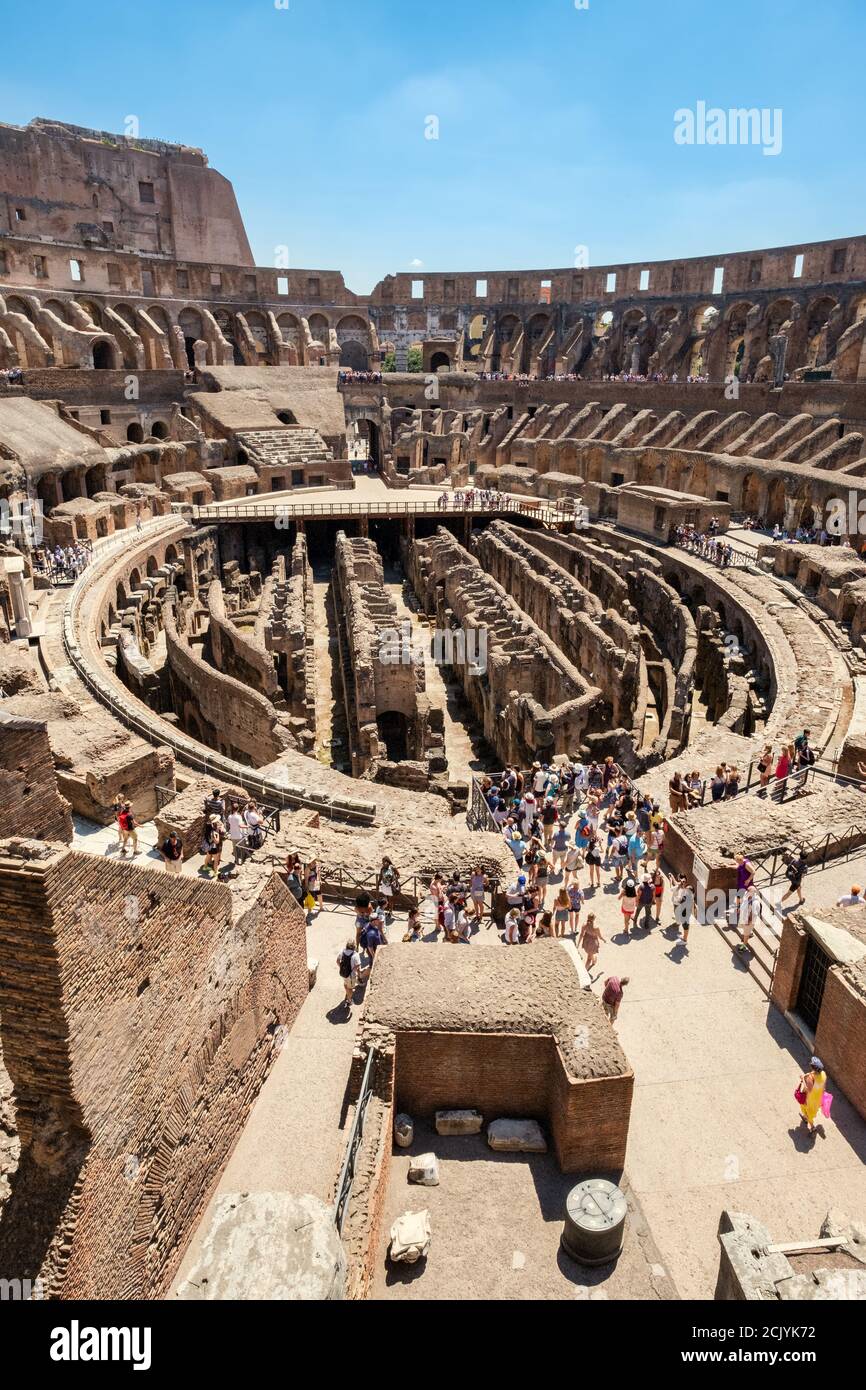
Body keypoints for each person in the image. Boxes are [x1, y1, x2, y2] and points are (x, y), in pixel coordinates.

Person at [796, 1056, 827, 1134]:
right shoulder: (823, 1074)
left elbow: (808, 1089)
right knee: (812, 1111)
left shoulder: (810, 1078)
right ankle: (805, 1118)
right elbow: (823, 1088)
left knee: (807, 1110)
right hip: (818, 1098)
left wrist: (802, 1078)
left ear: (812, 1067)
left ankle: (812, 1127)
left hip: (810, 1099)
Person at [337, 939, 360, 1012]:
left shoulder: (342, 951)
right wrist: (353, 970)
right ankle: (349, 1000)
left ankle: (347, 993)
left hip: (343, 974)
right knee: (350, 988)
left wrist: (341, 968)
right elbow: (358, 965)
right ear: (354, 946)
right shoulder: (355, 955)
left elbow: (337, 961)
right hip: (351, 976)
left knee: (345, 984)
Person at [200, 813, 224, 878]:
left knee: (208, 856)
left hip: (208, 845)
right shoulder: (213, 832)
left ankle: (205, 867)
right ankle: (215, 872)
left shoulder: (208, 826)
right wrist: (218, 834)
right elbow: (216, 841)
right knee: (216, 861)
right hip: (213, 847)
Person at [226, 801, 246, 866]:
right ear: (237, 809)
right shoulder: (238, 817)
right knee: (242, 848)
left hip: (233, 835)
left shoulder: (229, 816)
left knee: (235, 849)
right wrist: (248, 826)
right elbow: (240, 825)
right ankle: (243, 861)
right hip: (239, 835)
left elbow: (230, 823)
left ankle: (236, 860)